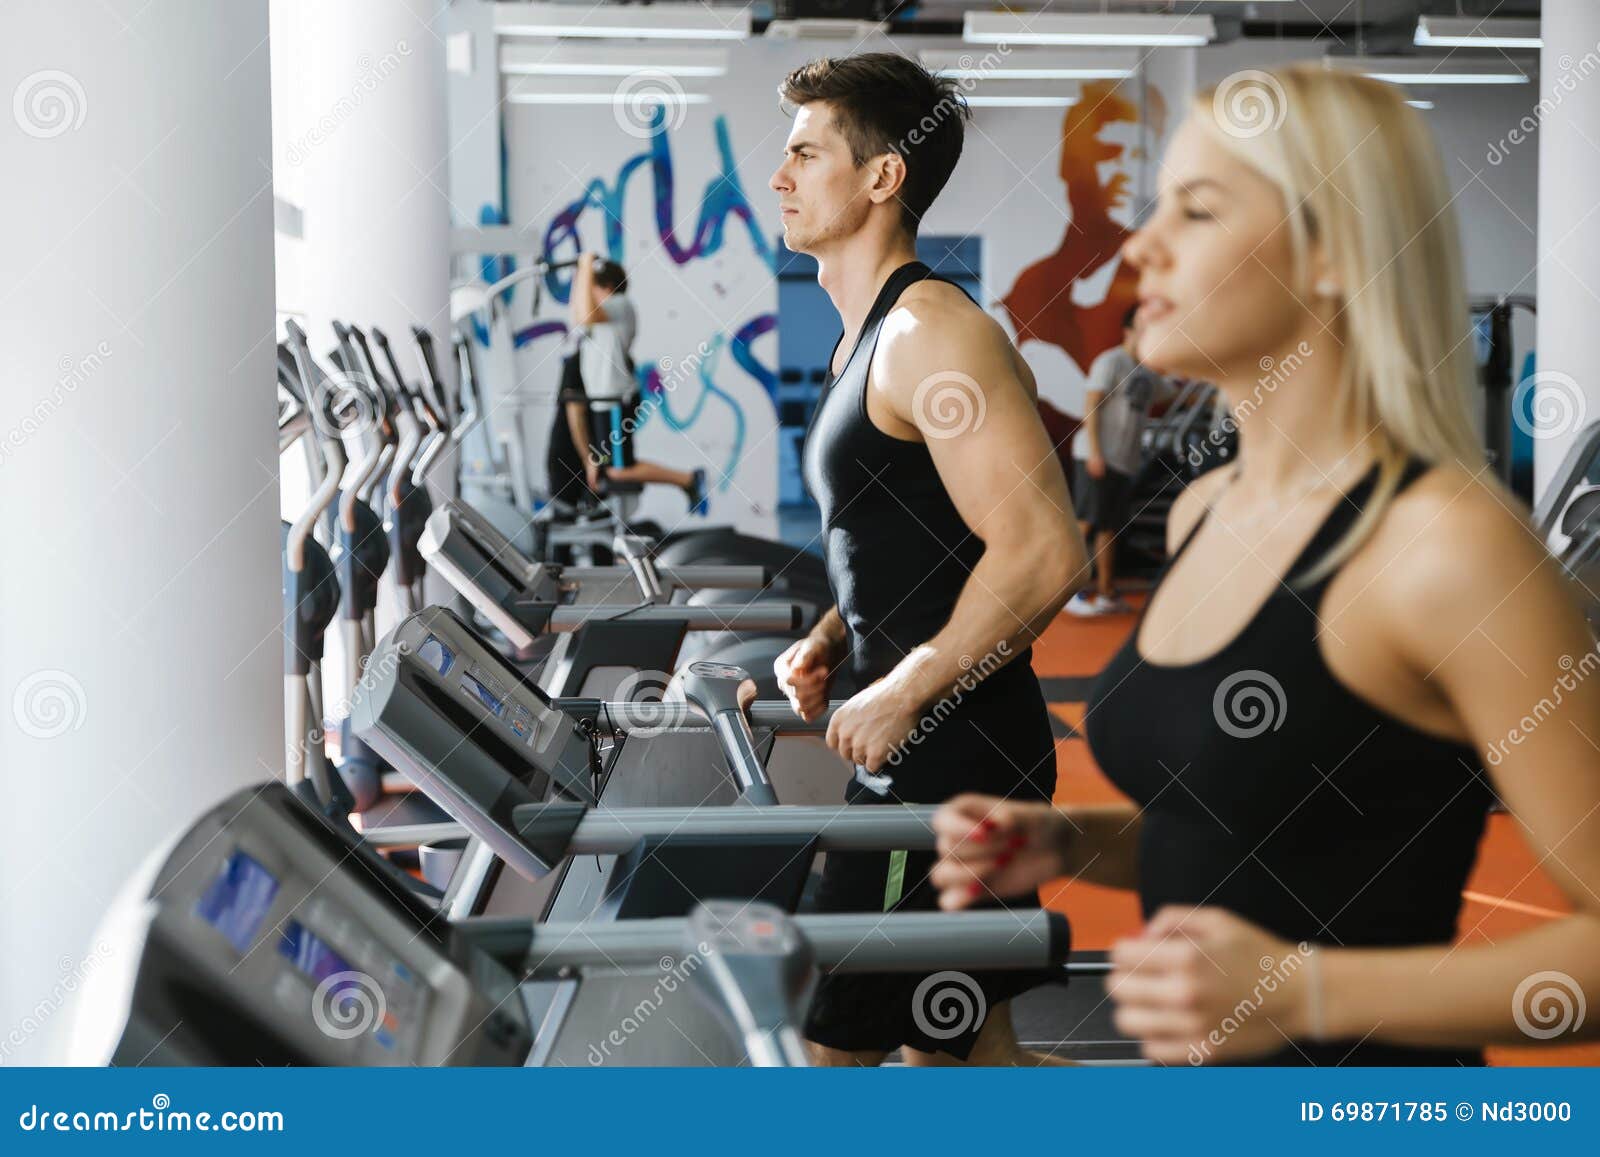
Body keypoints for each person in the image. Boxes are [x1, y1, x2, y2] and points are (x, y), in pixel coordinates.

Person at [930, 63, 1600, 1066]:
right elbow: (1251, 830)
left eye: (1195, 212)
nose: (1141, 245)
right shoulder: (1205, 509)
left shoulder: (1443, 547)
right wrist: (1071, 840)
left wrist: (1308, 988)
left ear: (1331, 252)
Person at [768, 53, 1087, 1067]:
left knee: (826, 1052)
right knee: (961, 1050)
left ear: (880, 177)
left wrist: (907, 681)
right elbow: (909, 529)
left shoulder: (932, 333)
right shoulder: (862, 338)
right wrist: (829, 635)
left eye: (804, 152)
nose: (779, 176)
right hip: (939, 741)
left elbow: (1044, 551)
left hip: (948, 756)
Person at [563, 252, 707, 513]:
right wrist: (580, 273)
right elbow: (577, 314)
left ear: (606, 287)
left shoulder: (620, 305)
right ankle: (685, 481)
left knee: (619, 472)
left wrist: (585, 264)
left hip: (617, 401)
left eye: (591, 287)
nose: (587, 294)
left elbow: (584, 314)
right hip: (603, 404)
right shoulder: (601, 319)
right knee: (609, 469)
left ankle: (688, 479)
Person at [1066, 305, 1175, 616]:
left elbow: (1175, 395)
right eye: (1143, 325)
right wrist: (1097, 453)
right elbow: (1091, 404)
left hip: (1123, 462)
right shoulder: (1111, 361)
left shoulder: (1146, 372)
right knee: (1085, 523)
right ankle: (1065, 592)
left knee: (1109, 528)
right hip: (1096, 456)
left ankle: (1105, 592)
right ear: (1128, 329)